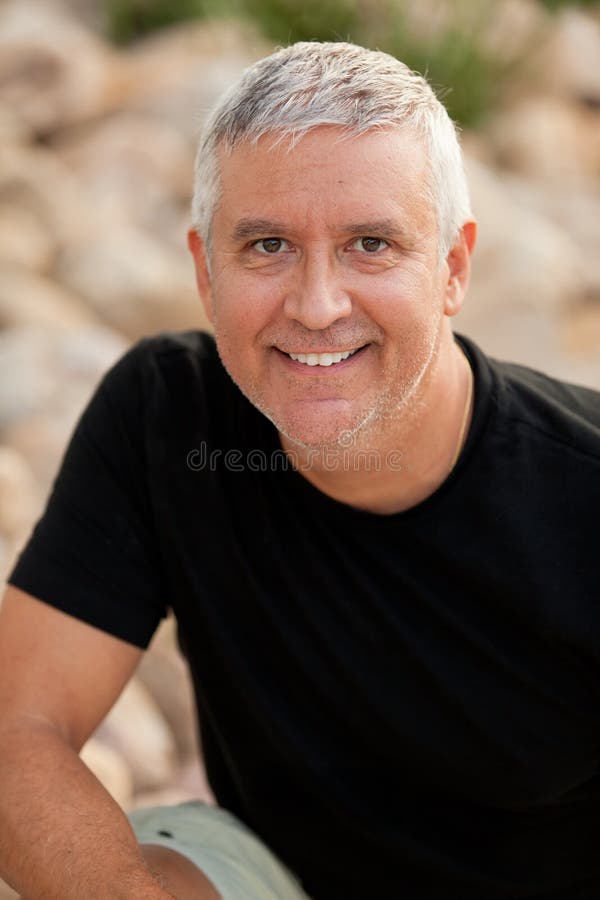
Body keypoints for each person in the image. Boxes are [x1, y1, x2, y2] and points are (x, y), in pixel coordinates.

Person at [0, 39, 598, 900]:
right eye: (269, 245)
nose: (317, 306)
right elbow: (21, 727)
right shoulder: (171, 418)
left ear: (453, 268)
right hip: (276, 873)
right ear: (206, 271)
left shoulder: (582, 493)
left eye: (370, 244)